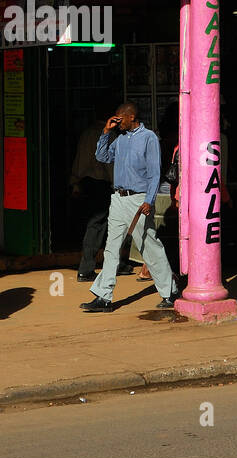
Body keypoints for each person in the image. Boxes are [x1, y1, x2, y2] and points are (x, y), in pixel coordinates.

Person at [80, 102, 178, 311]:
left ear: (131, 116)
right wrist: (106, 132)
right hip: (118, 198)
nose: (117, 123)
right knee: (111, 248)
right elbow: (102, 156)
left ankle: (169, 291)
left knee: (149, 246)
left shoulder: (149, 138)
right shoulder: (120, 138)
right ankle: (103, 297)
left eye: (119, 119)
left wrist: (149, 200)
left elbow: (154, 172)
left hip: (139, 199)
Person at [70, 118, 127, 282]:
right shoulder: (109, 135)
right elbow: (109, 164)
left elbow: (79, 160)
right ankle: (87, 268)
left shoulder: (86, 133)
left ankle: (111, 264)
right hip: (102, 183)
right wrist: (116, 184)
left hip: (87, 181)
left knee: (97, 224)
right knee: (100, 225)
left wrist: (75, 181)